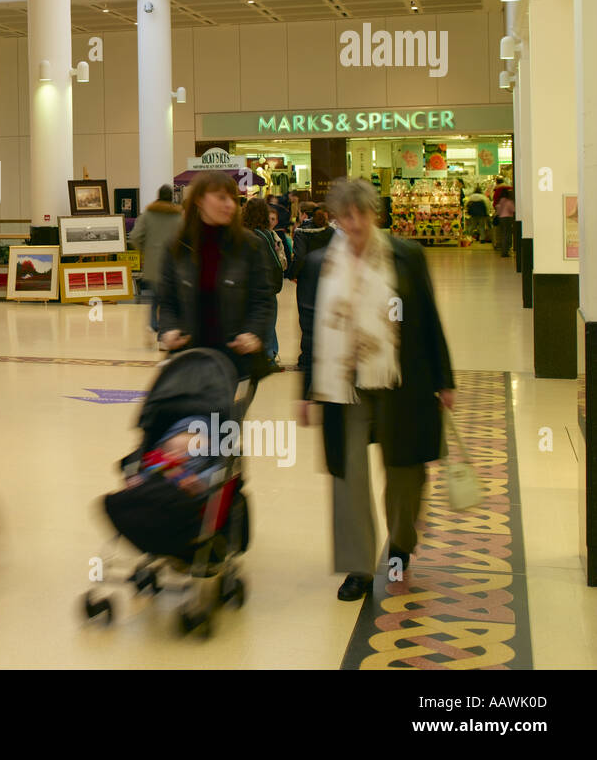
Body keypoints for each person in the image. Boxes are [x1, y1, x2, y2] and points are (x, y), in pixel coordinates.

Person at [296, 178, 455, 602]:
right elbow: (309, 332)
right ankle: (358, 566)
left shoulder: (406, 255)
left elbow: (427, 318)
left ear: (374, 214)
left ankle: (401, 544)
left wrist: (444, 379)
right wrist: (305, 389)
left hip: (400, 379)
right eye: (345, 216)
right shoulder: (317, 265)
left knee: (405, 472)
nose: (354, 223)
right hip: (340, 382)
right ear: (335, 218)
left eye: (361, 214)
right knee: (346, 472)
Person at [156, 170, 274, 386]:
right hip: (189, 360)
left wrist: (253, 332)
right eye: (221, 197)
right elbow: (167, 300)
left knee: (224, 420)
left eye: (233, 198)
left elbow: (262, 299)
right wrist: (169, 329)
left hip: (237, 364)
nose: (230, 204)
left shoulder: (249, 246)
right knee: (192, 420)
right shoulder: (177, 247)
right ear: (200, 200)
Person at [129, 184, 184, 349]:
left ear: (158, 196)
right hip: (172, 264)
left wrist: (145, 250)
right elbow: (185, 238)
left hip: (152, 264)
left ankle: (152, 325)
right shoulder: (178, 216)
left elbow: (134, 237)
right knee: (168, 301)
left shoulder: (148, 214)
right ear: (172, 197)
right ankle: (160, 335)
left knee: (155, 298)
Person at [241, 197, 285, 365]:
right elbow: (274, 263)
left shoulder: (241, 232)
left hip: (245, 286)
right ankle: (269, 357)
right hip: (265, 286)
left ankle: (262, 353)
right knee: (268, 320)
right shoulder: (265, 235)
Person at [494, 187, 516, 257]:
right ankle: (506, 251)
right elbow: (513, 210)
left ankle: (503, 251)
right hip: (508, 218)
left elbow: (498, 210)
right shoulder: (509, 202)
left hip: (501, 218)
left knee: (503, 234)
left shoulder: (500, 202)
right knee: (507, 234)